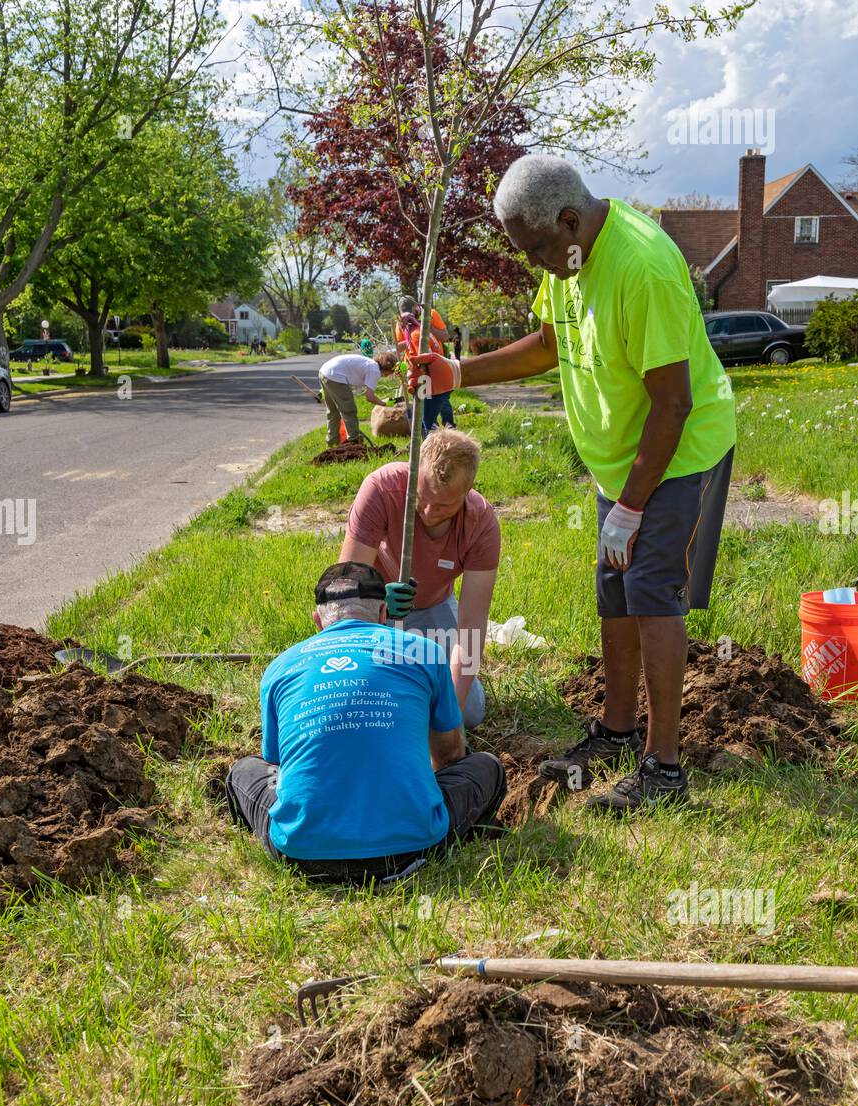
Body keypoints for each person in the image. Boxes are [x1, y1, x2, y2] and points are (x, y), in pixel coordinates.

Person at [410, 154, 736, 813]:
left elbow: (673, 405)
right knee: (613, 590)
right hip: (620, 461)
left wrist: (633, 506)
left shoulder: (642, 268)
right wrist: (457, 374)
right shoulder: (569, 259)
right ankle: (618, 729)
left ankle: (664, 770)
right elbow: (547, 342)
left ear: (568, 221)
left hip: (676, 452)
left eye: (535, 250)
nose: (535, 264)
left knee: (650, 590)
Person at [224, 562, 507, 884]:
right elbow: (450, 756)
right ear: (385, 612)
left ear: (318, 621)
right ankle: (454, 839)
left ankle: (301, 839)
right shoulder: (424, 651)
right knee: (487, 767)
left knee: (243, 771)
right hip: (411, 849)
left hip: (302, 855)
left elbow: (276, 764)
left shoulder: (280, 666)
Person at [340, 429, 499, 728]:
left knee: (468, 712)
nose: (427, 511)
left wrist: (448, 718)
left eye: (442, 506)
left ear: (466, 494)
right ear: (415, 473)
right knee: (364, 700)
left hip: (432, 607)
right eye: (422, 497)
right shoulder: (381, 488)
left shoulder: (481, 524)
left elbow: (471, 626)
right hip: (372, 610)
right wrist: (374, 597)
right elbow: (345, 587)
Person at [395, 296, 455, 432]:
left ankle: (446, 428)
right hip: (419, 372)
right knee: (425, 404)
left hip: (431, 369)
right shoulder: (402, 325)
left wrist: (424, 326)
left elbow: (445, 336)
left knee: (437, 401)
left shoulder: (431, 315)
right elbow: (403, 347)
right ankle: (428, 431)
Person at [318, 349, 397, 446]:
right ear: (388, 368)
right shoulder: (374, 370)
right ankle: (354, 442)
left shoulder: (369, 364)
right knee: (349, 411)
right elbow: (369, 396)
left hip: (325, 372)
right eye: (391, 372)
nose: (389, 375)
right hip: (335, 376)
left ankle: (332, 443)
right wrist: (385, 403)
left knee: (333, 413)